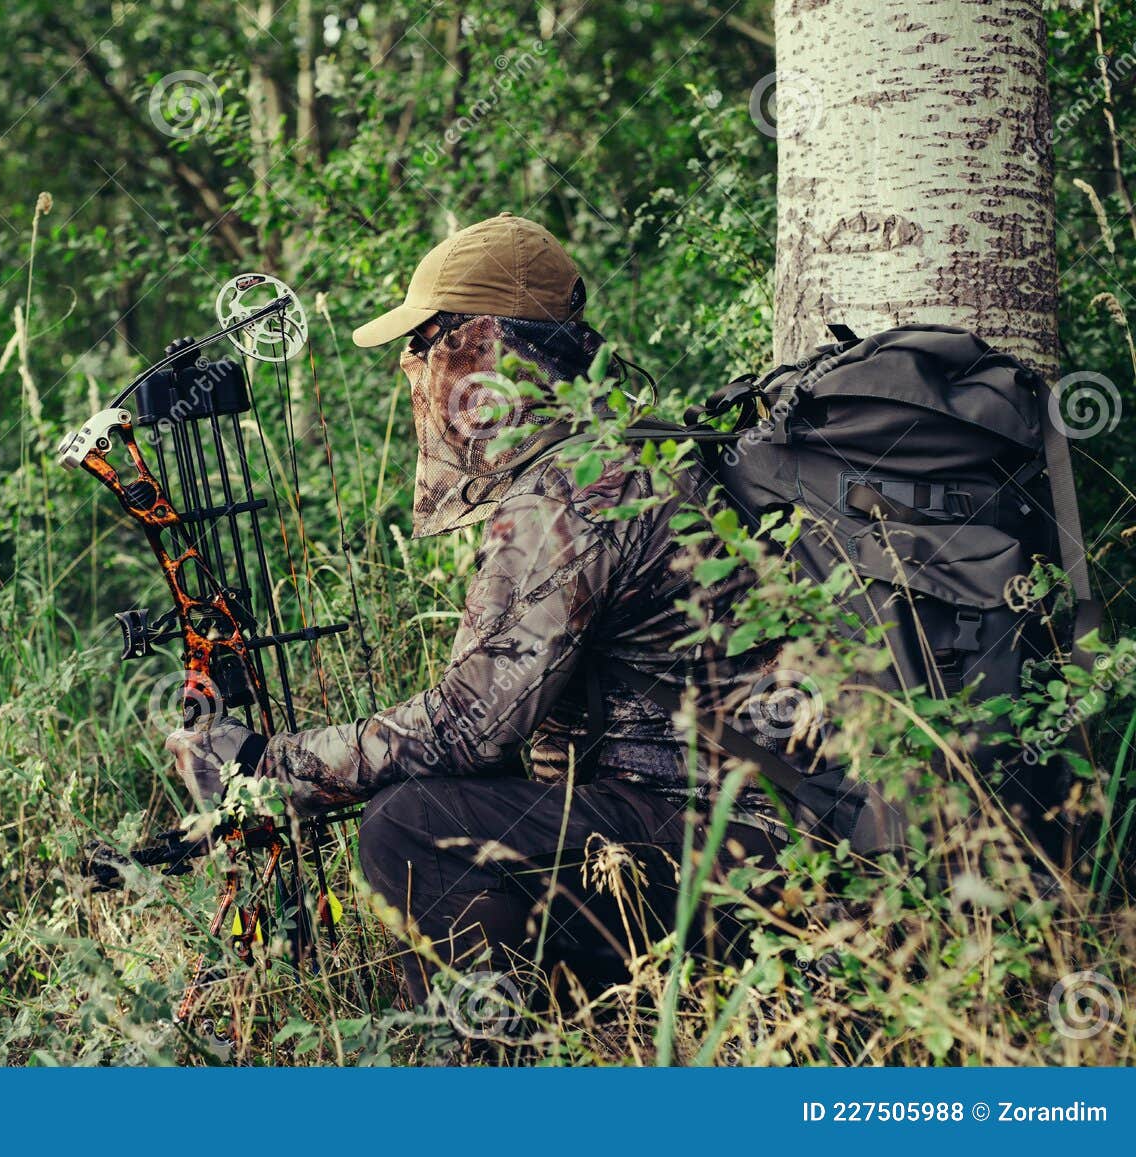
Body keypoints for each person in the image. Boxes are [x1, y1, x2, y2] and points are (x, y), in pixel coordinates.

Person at [167, 212, 788, 1027]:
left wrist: (263, 762)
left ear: (482, 346)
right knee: (457, 799)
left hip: (738, 860)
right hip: (732, 842)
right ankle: (585, 1027)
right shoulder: (615, 454)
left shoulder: (575, 492)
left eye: (425, 340)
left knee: (411, 829)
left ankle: (477, 1066)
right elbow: (492, 728)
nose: (408, 365)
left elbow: (467, 725)